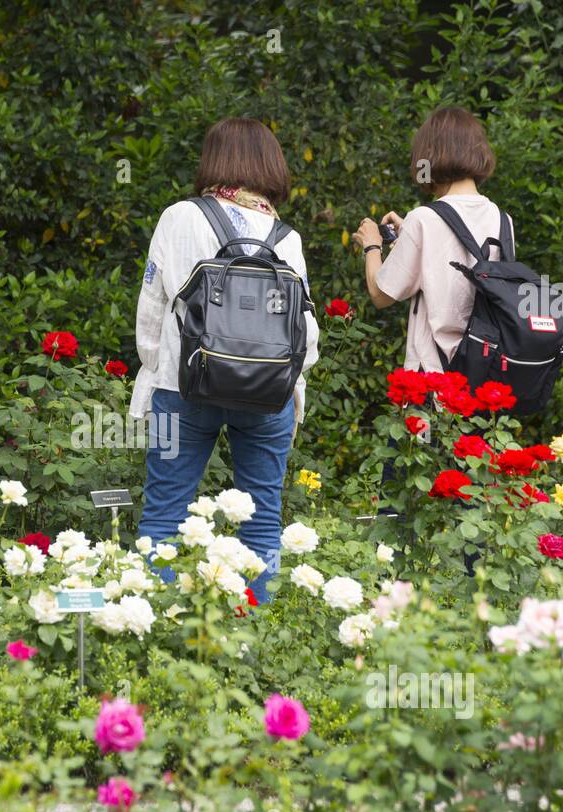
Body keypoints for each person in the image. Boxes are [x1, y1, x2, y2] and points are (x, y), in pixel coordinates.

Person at [130, 117, 319, 604]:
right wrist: (291, 388)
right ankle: (250, 638)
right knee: (260, 523)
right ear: (270, 164)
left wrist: (157, 369)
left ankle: (157, 627)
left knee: (165, 515)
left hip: (182, 388)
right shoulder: (286, 236)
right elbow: (306, 331)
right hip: (268, 395)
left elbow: (152, 309)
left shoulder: (180, 217)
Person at [353, 105, 510, 374]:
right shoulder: (502, 219)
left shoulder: (424, 219)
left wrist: (372, 246)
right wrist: (410, 235)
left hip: (435, 378)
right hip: (484, 374)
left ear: (430, 157)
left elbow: (381, 294)